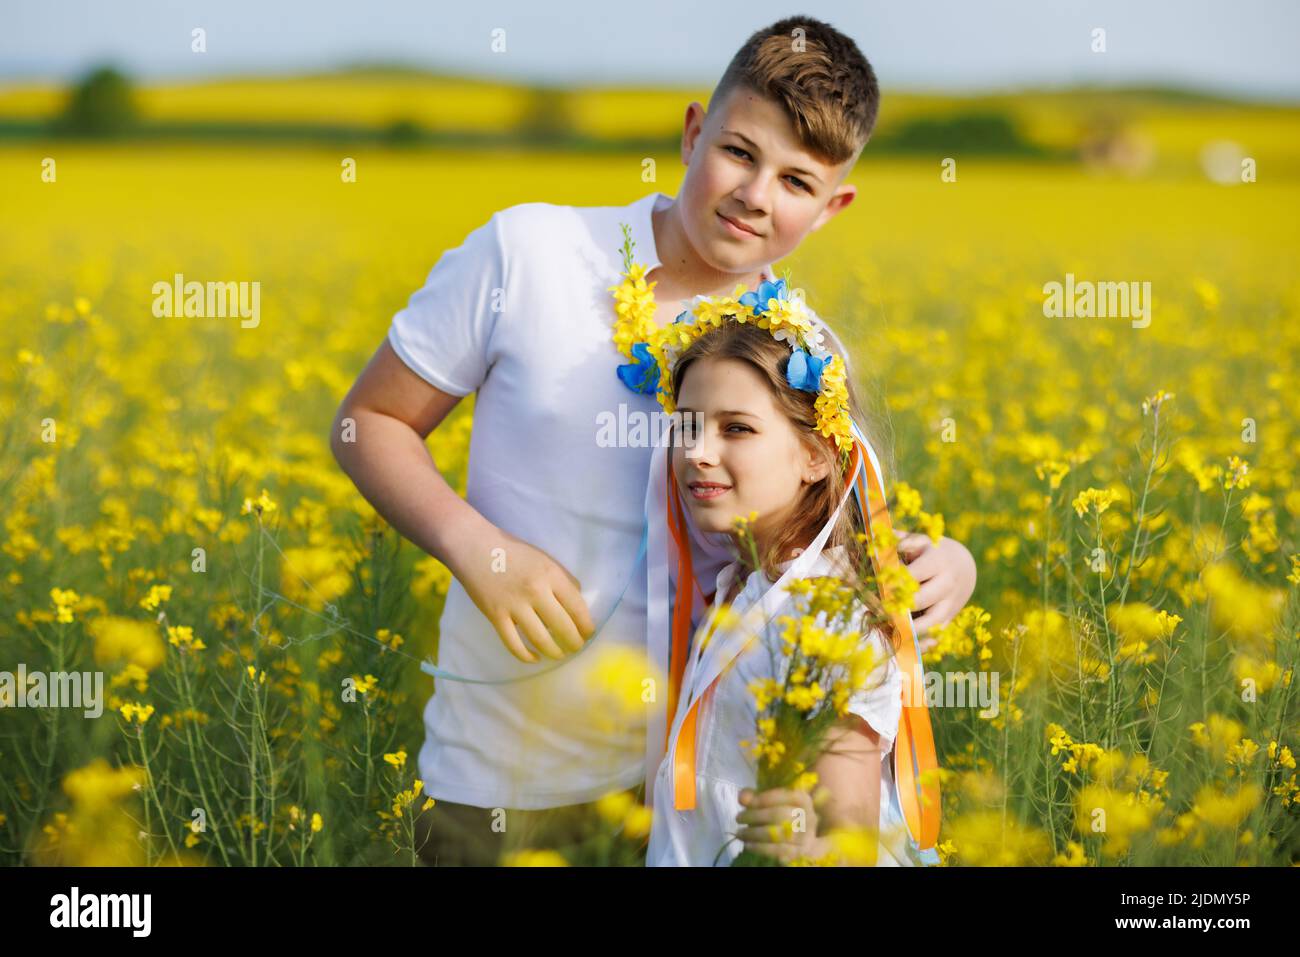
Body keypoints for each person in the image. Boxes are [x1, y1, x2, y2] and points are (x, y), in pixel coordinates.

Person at [330, 16, 974, 866]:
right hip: (502, 778)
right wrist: (479, 550)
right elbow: (365, 422)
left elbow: (827, 553)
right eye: (739, 152)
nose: (755, 194)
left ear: (831, 207)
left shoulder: (805, 354)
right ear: (692, 131)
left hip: (700, 805)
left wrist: (947, 566)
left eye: (796, 180)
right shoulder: (531, 251)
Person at [642, 287, 940, 866]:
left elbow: (849, 838)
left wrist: (805, 844)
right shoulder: (744, 584)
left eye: (737, 429)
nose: (697, 452)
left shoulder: (828, 618)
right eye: (688, 425)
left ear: (818, 455)